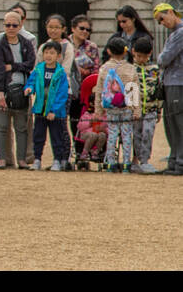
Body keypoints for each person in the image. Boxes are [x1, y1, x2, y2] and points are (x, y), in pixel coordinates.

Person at [0, 9, 35, 169]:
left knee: (21, 127)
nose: (10, 28)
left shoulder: (26, 43)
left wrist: (13, 66)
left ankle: (21, 160)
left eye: (14, 25)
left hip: (22, 90)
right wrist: (1, 93)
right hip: (1, 90)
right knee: (1, 126)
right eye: (7, 25)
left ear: (20, 25)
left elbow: (30, 64)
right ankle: (2, 159)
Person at [25, 40, 70, 171]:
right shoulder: (38, 70)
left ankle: (57, 160)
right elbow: (31, 82)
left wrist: (54, 110)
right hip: (40, 109)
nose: (48, 56)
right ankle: (37, 159)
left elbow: (62, 94)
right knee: (38, 136)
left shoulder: (61, 73)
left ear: (58, 56)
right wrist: (29, 89)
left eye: (52, 53)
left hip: (55, 113)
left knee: (57, 137)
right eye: (46, 52)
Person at [95, 38, 139, 173]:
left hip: (110, 107)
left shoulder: (104, 68)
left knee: (112, 135)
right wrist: (136, 110)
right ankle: (126, 163)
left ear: (108, 51)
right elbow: (135, 90)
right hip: (126, 107)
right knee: (126, 136)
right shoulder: (131, 69)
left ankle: (111, 163)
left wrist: (98, 109)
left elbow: (99, 89)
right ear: (125, 52)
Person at [152, 2, 183, 175]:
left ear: (171, 12)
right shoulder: (174, 34)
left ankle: (180, 162)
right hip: (170, 83)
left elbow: (163, 59)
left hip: (179, 83)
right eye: (159, 22)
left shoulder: (180, 33)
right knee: (170, 124)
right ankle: (174, 160)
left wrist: (161, 56)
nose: (162, 23)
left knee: (179, 123)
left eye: (162, 19)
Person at [130, 37, 162, 174]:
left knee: (148, 133)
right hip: (135, 110)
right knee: (136, 134)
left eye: (144, 56)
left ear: (150, 54)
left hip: (151, 108)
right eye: (138, 56)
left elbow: (159, 89)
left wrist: (159, 109)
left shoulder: (154, 69)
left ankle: (145, 161)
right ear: (133, 52)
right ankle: (137, 161)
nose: (141, 59)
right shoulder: (130, 69)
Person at [68, 15, 98, 146]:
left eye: (88, 29)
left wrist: (85, 72)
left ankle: (83, 152)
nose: (85, 31)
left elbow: (97, 70)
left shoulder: (92, 47)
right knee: (70, 121)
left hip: (85, 91)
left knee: (84, 122)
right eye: (82, 28)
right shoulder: (64, 44)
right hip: (68, 88)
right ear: (73, 28)